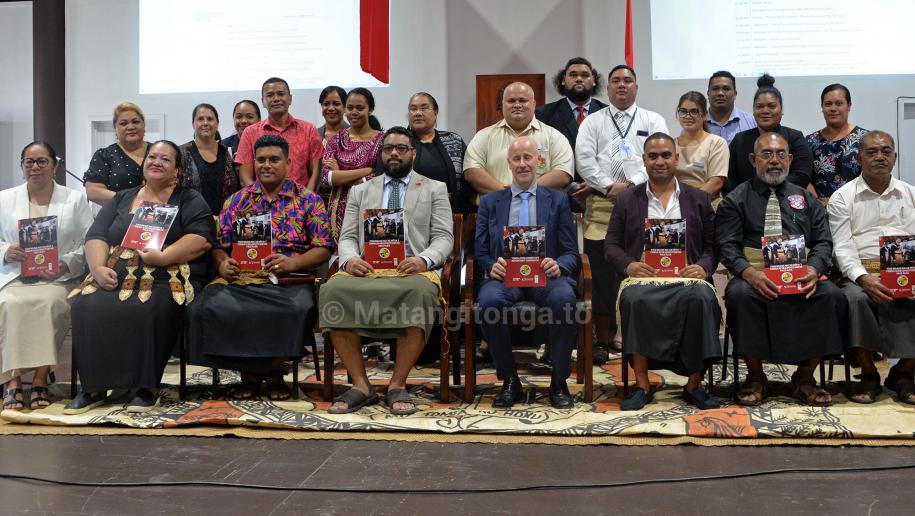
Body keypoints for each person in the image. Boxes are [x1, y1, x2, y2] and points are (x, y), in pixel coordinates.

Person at [65, 140, 216, 414]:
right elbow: (96, 235)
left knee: (148, 308)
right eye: (152, 157)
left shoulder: (189, 198)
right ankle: (95, 387)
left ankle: (146, 387)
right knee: (87, 306)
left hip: (163, 275)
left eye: (165, 159)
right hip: (113, 275)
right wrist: (98, 269)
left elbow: (202, 239)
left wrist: (163, 257)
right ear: (144, 164)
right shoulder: (123, 197)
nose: (156, 162)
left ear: (177, 170)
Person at [187, 135, 333, 400]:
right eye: (261, 160)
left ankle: (274, 373)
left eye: (274, 160)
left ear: (288, 163)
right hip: (240, 278)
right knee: (205, 307)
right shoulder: (236, 201)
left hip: (289, 279)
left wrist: (294, 262)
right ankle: (247, 373)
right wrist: (222, 264)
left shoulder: (309, 200)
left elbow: (324, 247)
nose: (266, 165)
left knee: (296, 309)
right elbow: (219, 245)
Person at [319, 127, 453, 415]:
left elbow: (444, 237)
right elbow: (347, 237)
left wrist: (424, 260)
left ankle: (397, 384)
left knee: (419, 292)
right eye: (388, 148)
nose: (394, 153)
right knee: (332, 289)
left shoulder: (434, 188)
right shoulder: (361, 190)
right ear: (381, 153)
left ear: (413, 154)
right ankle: (360, 385)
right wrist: (350, 260)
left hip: (411, 271)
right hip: (367, 270)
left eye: (401, 148)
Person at [715, 132, 845, 407]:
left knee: (831, 295)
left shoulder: (805, 199)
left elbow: (823, 241)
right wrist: (749, 273)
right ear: (753, 159)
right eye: (766, 154)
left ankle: (805, 377)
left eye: (780, 154)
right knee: (739, 294)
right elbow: (726, 246)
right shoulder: (735, 199)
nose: (774, 161)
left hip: (800, 273)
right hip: (755, 274)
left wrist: (814, 269)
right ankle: (756, 377)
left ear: (790, 159)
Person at [604, 133, 720, 410]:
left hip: (687, 279)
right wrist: (629, 265)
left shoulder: (699, 198)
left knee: (702, 300)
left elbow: (712, 246)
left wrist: (703, 267)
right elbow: (610, 246)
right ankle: (642, 385)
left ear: (676, 158)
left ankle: (694, 385)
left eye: (666, 155)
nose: (660, 161)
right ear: (643, 160)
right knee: (633, 300)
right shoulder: (627, 199)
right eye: (653, 156)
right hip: (642, 278)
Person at [475, 136, 580, 408]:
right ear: (508, 163)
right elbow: (482, 250)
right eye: (517, 159)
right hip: (505, 277)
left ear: (538, 161)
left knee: (565, 300)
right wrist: (490, 265)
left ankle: (558, 381)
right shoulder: (490, 202)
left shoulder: (558, 200)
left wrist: (560, 265)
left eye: (528, 158)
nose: (523, 164)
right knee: (488, 303)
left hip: (546, 276)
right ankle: (510, 380)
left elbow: (571, 252)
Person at [576, 64, 668, 363]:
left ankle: (637, 338)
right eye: (615, 81)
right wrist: (608, 186)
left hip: (643, 200)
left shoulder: (653, 119)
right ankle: (602, 339)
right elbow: (585, 160)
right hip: (602, 203)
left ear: (637, 87)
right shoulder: (592, 121)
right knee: (602, 273)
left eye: (627, 80)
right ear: (608, 88)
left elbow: (660, 157)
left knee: (640, 267)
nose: (621, 85)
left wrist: (630, 185)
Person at [0, 142, 93, 410]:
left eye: (42, 161)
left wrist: (64, 263)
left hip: (56, 279)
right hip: (13, 276)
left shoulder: (74, 199)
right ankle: (12, 382)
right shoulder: (4, 198)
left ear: (54, 165)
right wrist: (6, 251)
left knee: (49, 304)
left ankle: (40, 379)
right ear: (22, 167)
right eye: (29, 162)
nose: (35, 167)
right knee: (8, 304)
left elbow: (88, 241)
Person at [827, 130, 915, 405]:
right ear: (858, 158)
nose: (879, 157)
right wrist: (864, 278)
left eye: (886, 152)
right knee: (854, 299)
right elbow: (841, 246)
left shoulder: (910, 194)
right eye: (872, 152)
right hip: (859, 273)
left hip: (905, 272)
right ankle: (868, 374)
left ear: (895, 158)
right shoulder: (843, 197)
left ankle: (903, 372)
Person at [463, 82, 574, 199]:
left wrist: (523, 192)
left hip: (543, 211)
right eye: (511, 101)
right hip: (495, 210)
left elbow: (563, 173)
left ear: (534, 103)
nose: (517, 105)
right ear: (502, 104)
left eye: (522, 100)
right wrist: (507, 194)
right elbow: (472, 172)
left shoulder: (554, 137)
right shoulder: (483, 136)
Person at [535, 57, 609, 206]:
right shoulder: (544, 114)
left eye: (585, 75)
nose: (579, 79)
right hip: (557, 196)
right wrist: (568, 184)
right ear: (563, 80)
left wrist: (595, 184)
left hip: (600, 196)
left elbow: (611, 154)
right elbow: (540, 155)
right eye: (573, 75)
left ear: (594, 80)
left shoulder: (607, 113)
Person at [724, 74, 813, 195]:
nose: (765, 111)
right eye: (759, 106)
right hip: (745, 202)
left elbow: (801, 176)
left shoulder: (795, 137)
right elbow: (729, 178)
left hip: (786, 200)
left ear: (781, 110)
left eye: (771, 106)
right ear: (753, 111)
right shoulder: (740, 140)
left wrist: (768, 191)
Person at [235, 77, 323, 190]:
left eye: (281, 94)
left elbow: (316, 174)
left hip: (302, 204)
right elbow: (245, 178)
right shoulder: (250, 133)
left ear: (290, 99)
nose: (276, 99)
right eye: (270, 95)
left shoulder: (309, 130)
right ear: (263, 101)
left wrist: (305, 201)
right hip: (261, 204)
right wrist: (263, 202)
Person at [321, 87, 385, 240]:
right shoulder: (335, 139)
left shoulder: (383, 140)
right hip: (339, 208)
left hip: (373, 205)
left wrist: (341, 174)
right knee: (342, 256)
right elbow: (327, 178)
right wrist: (366, 170)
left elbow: (381, 178)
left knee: (372, 252)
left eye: (360, 108)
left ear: (371, 109)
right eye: (349, 108)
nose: (353, 112)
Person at [407, 91, 470, 213]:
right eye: (413, 109)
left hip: (448, 212)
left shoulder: (453, 141)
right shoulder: (399, 143)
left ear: (435, 113)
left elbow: (467, 178)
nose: (418, 113)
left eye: (424, 108)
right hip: (410, 212)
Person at [806, 84, 868, 203]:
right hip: (821, 211)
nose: (833, 108)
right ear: (822, 107)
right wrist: (817, 204)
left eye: (839, 103)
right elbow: (804, 178)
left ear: (849, 106)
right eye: (828, 104)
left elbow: (871, 176)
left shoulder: (864, 139)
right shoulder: (810, 141)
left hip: (858, 206)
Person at [84, 101, 151, 205]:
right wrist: (134, 201)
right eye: (124, 123)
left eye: (136, 122)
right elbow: (93, 192)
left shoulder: (159, 151)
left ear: (144, 125)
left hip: (158, 216)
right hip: (117, 217)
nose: (131, 127)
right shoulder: (104, 155)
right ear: (115, 128)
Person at [179, 103, 240, 216]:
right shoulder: (180, 154)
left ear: (217, 124)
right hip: (191, 223)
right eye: (200, 119)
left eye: (210, 119)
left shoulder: (230, 153)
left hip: (226, 223)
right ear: (193, 124)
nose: (205, 123)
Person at [674, 91, 729, 202]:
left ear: (704, 115)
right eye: (683, 111)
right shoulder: (671, 144)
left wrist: (690, 203)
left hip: (704, 202)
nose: (688, 116)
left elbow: (716, 182)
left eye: (694, 112)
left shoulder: (716, 143)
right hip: (674, 201)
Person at [706, 71, 756, 144]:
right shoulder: (697, 123)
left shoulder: (752, 122)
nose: (720, 93)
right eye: (715, 88)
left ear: (735, 94)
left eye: (726, 89)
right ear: (708, 93)